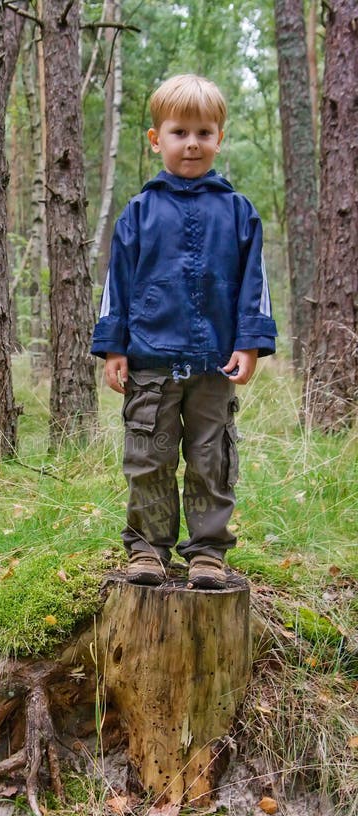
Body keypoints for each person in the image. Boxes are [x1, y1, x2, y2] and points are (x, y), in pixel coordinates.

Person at [90, 73, 277, 589]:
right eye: (178, 132)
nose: (191, 143)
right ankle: (148, 549)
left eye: (203, 132)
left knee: (211, 458)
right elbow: (117, 284)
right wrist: (113, 347)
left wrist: (249, 342)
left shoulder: (239, 213)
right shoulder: (139, 213)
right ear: (156, 139)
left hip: (215, 362)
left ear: (220, 137)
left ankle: (208, 553)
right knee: (148, 456)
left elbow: (253, 284)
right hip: (150, 359)